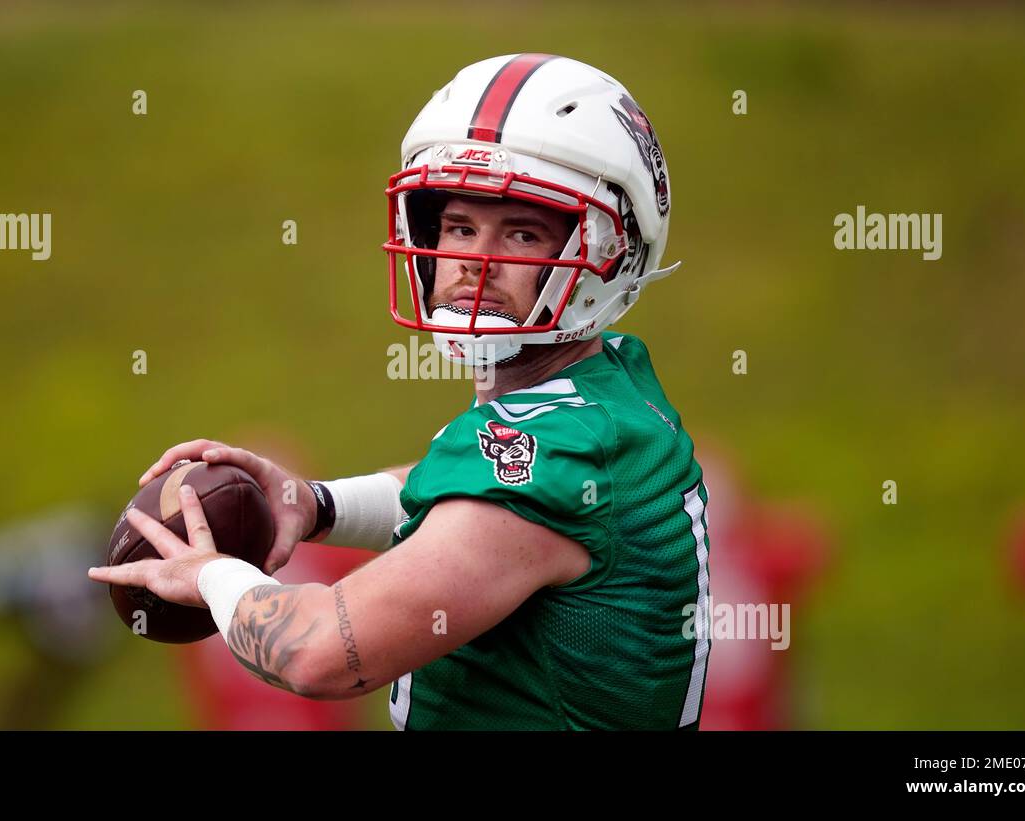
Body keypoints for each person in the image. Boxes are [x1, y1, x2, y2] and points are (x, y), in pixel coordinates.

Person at [90, 54, 710, 730]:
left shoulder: (554, 460)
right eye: (459, 228)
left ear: (608, 253)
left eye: (524, 235)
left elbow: (322, 654)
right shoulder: (606, 389)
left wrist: (210, 576)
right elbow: (465, 502)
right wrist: (318, 504)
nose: (475, 264)